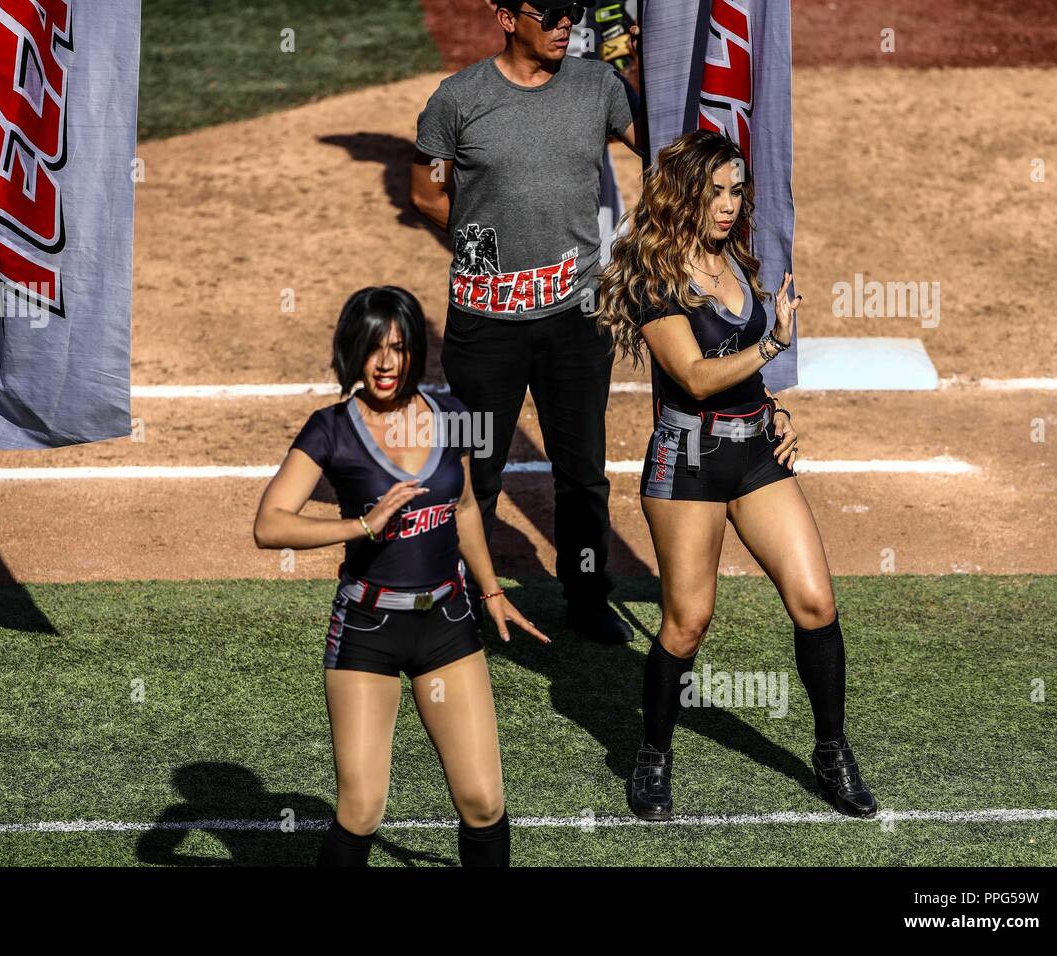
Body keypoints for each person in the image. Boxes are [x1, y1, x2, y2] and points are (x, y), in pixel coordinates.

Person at [596, 129, 878, 820]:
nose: (729, 204)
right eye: (716, 191)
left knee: (815, 601)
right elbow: (693, 377)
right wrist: (774, 345)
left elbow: (737, 369)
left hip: (754, 455)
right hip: (687, 462)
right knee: (688, 622)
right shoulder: (658, 278)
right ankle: (653, 756)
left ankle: (832, 749)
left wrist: (773, 408)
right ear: (687, 192)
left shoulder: (734, 260)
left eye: (736, 190)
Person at [254, 286, 548, 867]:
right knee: (362, 810)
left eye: (398, 347)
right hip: (367, 628)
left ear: (415, 349)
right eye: (372, 349)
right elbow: (269, 525)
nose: (386, 363)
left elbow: (463, 508)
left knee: (484, 801)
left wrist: (490, 590)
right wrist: (363, 525)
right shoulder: (331, 430)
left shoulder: (451, 417)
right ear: (351, 353)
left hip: (447, 622)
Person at [411, 0, 643, 644]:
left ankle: (587, 595)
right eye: (551, 12)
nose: (567, 23)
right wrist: (475, 242)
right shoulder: (457, 100)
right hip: (485, 323)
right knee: (476, 471)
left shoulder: (599, 86)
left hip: (577, 319)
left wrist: (649, 58)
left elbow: (666, 147)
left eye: (574, 10)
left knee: (582, 472)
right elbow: (427, 192)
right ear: (507, 17)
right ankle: (463, 599)